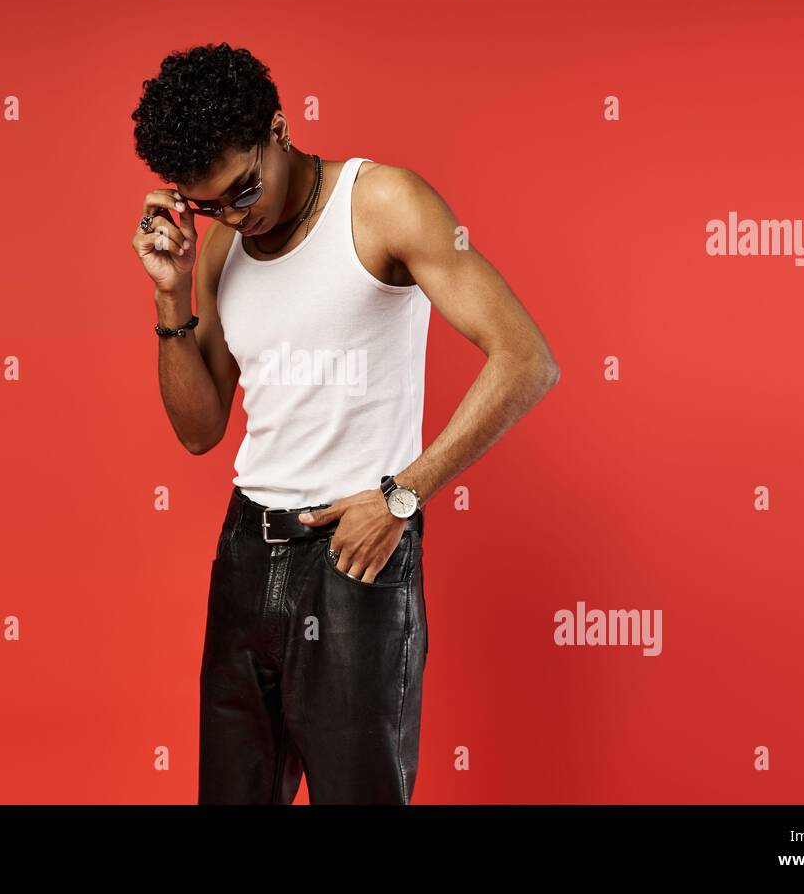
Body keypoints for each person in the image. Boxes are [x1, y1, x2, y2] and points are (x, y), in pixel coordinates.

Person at [129, 42, 559, 804]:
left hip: (355, 558)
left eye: (243, 188)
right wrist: (171, 298)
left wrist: (403, 496)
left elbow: (526, 359)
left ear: (280, 128)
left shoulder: (383, 201)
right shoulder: (225, 240)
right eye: (210, 204)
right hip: (244, 552)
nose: (234, 213)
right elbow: (199, 430)